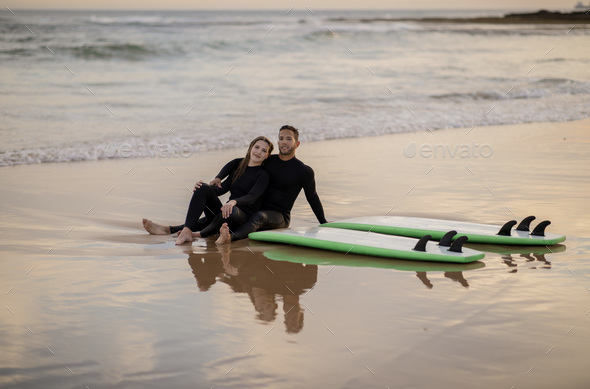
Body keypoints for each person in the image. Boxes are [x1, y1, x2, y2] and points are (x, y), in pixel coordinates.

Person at [142, 136, 273, 245]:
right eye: (256, 147)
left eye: (263, 150)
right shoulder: (239, 168)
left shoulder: (263, 175)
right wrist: (204, 188)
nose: (258, 152)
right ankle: (183, 230)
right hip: (225, 213)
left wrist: (233, 202)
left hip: (241, 218)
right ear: (251, 147)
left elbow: (252, 196)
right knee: (203, 188)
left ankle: (181, 231)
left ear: (267, 156)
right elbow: (220, 190)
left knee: (228, 212)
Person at [215, 125, 327, 244]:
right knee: (225, 215)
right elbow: (238, 162)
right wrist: (219, 177)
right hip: (254, 211)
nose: (284, 142)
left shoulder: (303, 171)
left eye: (289, 139)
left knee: (259, 216)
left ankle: (229, 238)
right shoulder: (267, 161)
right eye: (281, 138)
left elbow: (312, 197)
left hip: (280, 217)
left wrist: (323, 223)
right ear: (278, 142)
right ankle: (196, 232)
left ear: (297, 144)